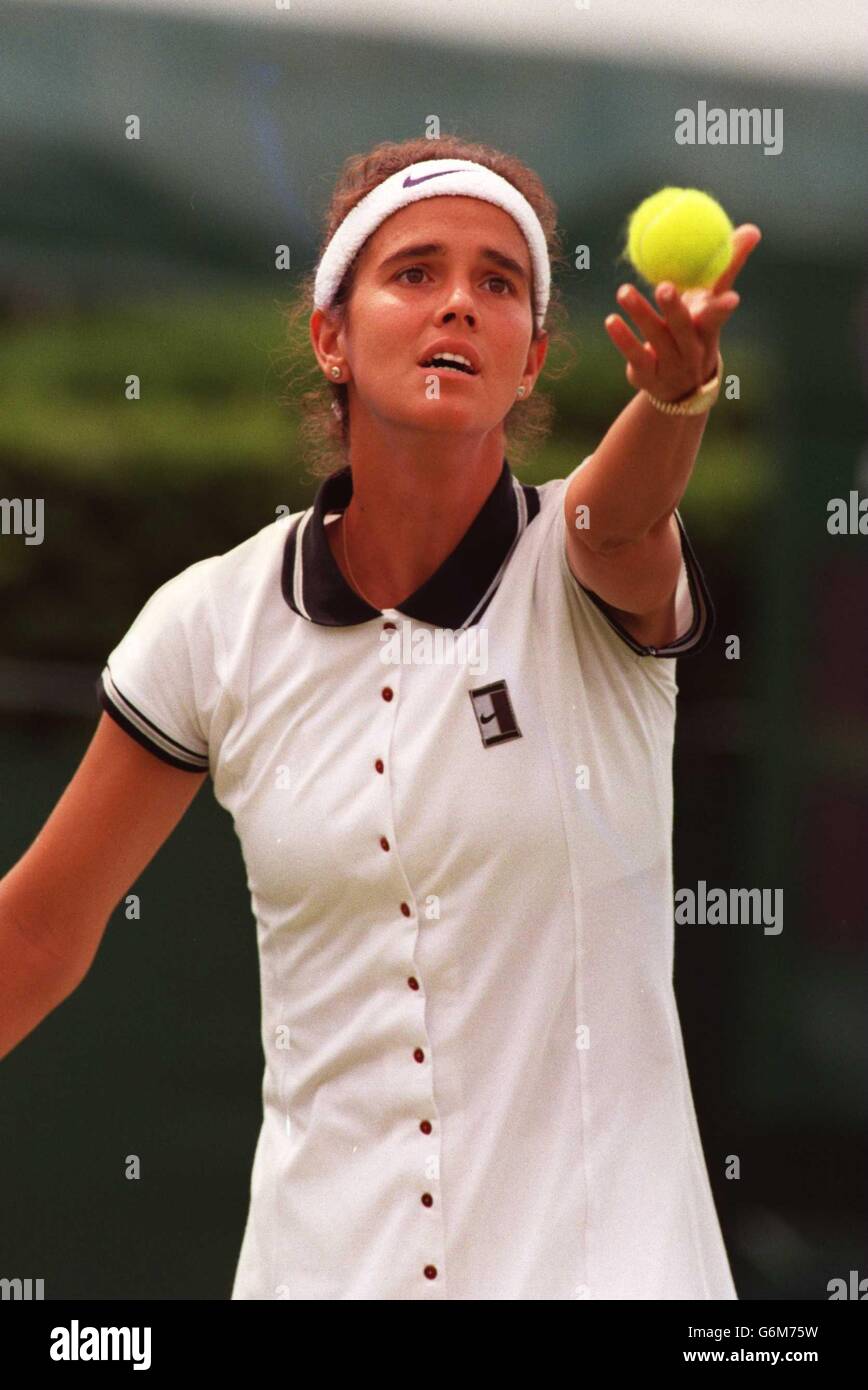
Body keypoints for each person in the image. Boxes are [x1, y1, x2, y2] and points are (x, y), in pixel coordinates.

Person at [0, 135, 760, 1299]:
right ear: (331, 335)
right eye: (414, 272)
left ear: (530, 361)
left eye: (498, 283)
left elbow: (620, 519)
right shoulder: (208, 623)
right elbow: (36, 936)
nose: (458, 300)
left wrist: (673, 398)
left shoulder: (584, 554)